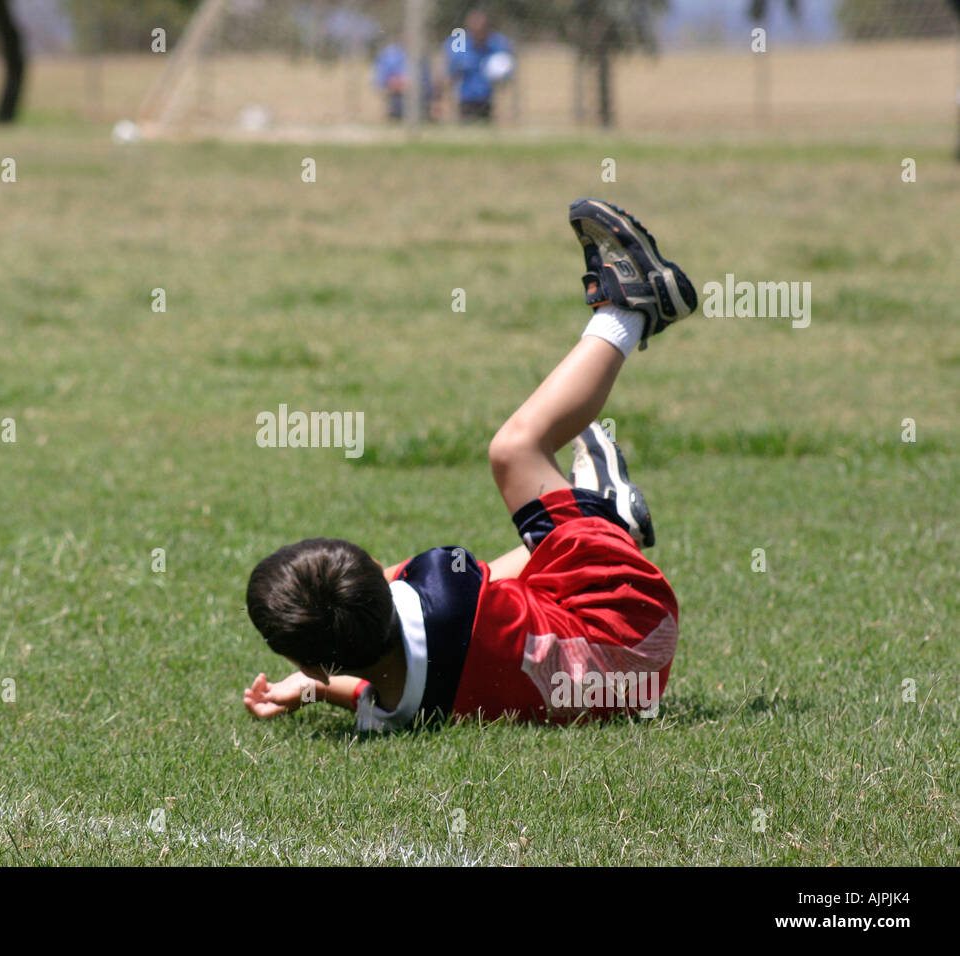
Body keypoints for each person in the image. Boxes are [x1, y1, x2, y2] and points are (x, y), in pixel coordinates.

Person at [242, 199, 700, 731]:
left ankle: (604, 521)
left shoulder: (400, 714)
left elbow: (371, 682)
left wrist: (310, 685)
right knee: (515, 451)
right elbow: (398, 610)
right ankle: (632, 307)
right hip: (629, 615)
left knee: (512, 622)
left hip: (635, 684)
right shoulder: (442, 586)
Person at [443, 9, 513, 122]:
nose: (478, 33)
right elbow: (451, 73)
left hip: (487, 98)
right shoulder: (459, 45)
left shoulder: (496, 43)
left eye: (482, 29)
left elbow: (505, 67)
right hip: (465, 99)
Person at [373, 42, 434, 121]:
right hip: (397, 96)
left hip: (418, 95)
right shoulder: (391, 54)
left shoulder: (420, 59)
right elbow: (380, 82)